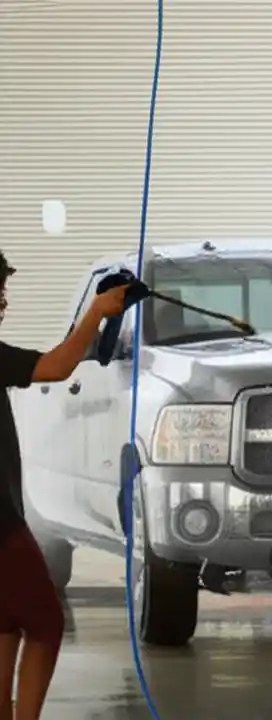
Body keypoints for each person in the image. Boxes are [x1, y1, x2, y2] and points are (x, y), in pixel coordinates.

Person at [0, 253, 127, 720]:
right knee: (46, 622)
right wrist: (96, 313)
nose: (4, 303)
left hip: (5, 517)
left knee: (6, 623)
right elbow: (55, 367)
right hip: (0, 525)